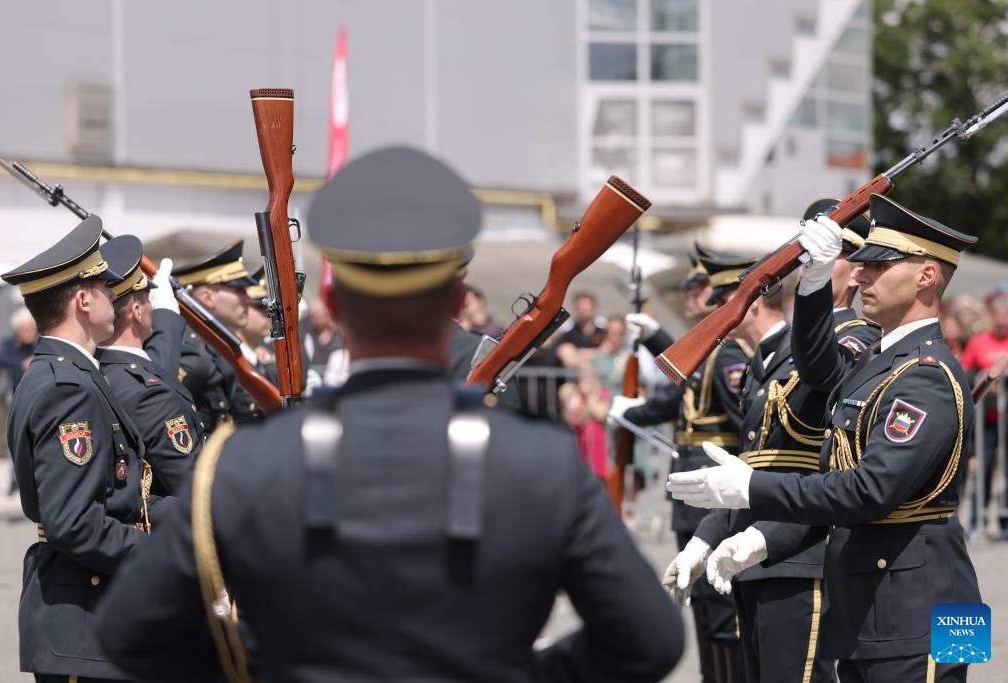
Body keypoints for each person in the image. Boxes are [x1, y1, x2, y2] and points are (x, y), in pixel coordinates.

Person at [96, 145, 684, 683]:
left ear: (331, 304)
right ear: (457, 305)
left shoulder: (245, 464)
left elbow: (129, 633)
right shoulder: (540, 464)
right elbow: (650, 640)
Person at [668, 194, 982, 682]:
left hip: (922, 611)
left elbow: (867, 491)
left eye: (879, 265)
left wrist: (752, 489)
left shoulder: (926, 376)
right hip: (878, 611)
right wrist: (813, 282)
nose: (859, 276)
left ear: (926, 276)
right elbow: (816, 366)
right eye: (857, 265)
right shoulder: (877, 366)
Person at [672, 201, 880, 683]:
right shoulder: (769, 359)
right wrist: (706, 537)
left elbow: (820, 376)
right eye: (806, 256)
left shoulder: (856, 340)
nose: (810, 264)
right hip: (748, 552)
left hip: (797, 553)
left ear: (854, 274)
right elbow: (754, 466)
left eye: (827, 258)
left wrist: (763, 536)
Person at [2, 215, 166, 682]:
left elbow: (117, 490)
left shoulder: (71, 374)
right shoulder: (66, 387)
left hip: (89, 616)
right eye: (103, 284)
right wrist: (163, 555)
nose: (114, 293)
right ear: (82, 299)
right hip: (83, 620)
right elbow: (74, 521)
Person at [607, 246, 754, 683]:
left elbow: (747, 426)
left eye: (701, 287)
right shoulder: (712, 351)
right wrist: (632, 409)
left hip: (715, 494)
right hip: (696, 496)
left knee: (723, 614)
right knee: (706, 607)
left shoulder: (727, 356)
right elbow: (681, 384)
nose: (692, 295)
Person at [95, 237, 204, 497]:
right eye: (148, 301)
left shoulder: (98, 370)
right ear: (137, 311)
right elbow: (195, 490)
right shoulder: (145, 393)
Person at [172, 240, 260, 427]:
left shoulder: (217, 345)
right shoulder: (188, 350)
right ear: (207, 297)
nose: (248, 300)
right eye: (239, 290)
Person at [960, 283, 1008, 537]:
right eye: (998, 316)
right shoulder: (979, 342)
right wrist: (986, 381)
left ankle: (1006, 522)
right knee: (984, 466)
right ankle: (975, 520)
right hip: (986, 420)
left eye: (1007, 316)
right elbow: (966, 372)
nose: (1002, 321)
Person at [0, 307, 38, 494]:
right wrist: (20, 363)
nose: (27, 333)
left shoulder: (40, 343)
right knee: (16, 437)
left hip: (38, 397)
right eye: (23, 329)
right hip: (17, 397)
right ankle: (14, 478)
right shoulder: (10, 344)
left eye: (30, 328)